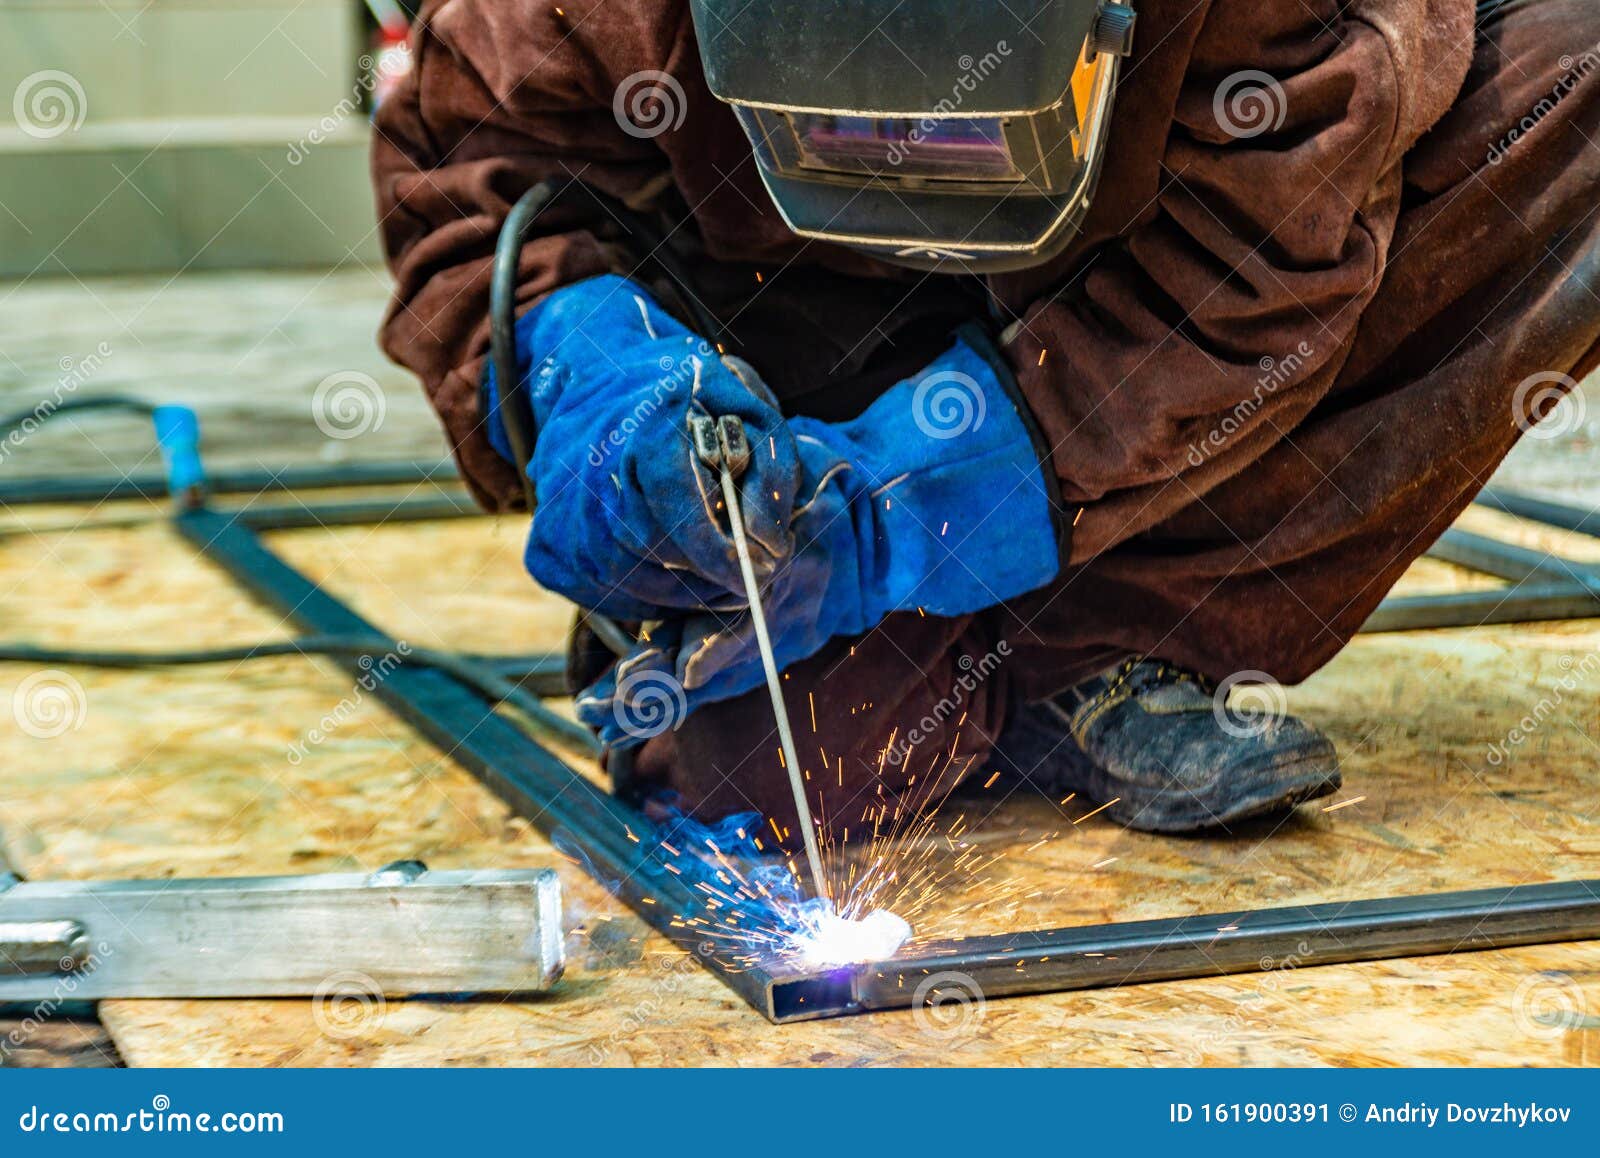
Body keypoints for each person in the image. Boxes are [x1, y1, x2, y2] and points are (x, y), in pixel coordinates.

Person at [373, 0, 1600, 837]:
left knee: (1577, 71)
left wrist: (930, 498)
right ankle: (801, 601)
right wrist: (585, 366)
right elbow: (462, 173)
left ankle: (1097, 636)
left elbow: (1263, 260)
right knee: (758, 773)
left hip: (1138, 309)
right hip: (789, 317)